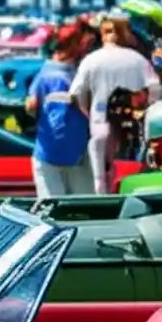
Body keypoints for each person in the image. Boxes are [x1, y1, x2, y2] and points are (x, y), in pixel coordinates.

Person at [69, 16, 162, 194]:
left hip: (99, 123)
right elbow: (156, 89)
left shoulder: (91, 60)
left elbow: (75, 94)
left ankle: (102, 204)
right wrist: (146, 108)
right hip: (135, 126)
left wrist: (86, 113)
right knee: (135, 170)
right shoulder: (138, 60)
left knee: (99, 176)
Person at [26, 26, 94, 197]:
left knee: (52, 209)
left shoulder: (44, 73)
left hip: (47, 151)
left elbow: (31, 106)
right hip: (78, 152)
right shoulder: (79, 73)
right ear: (74, 45)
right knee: (87, 209)